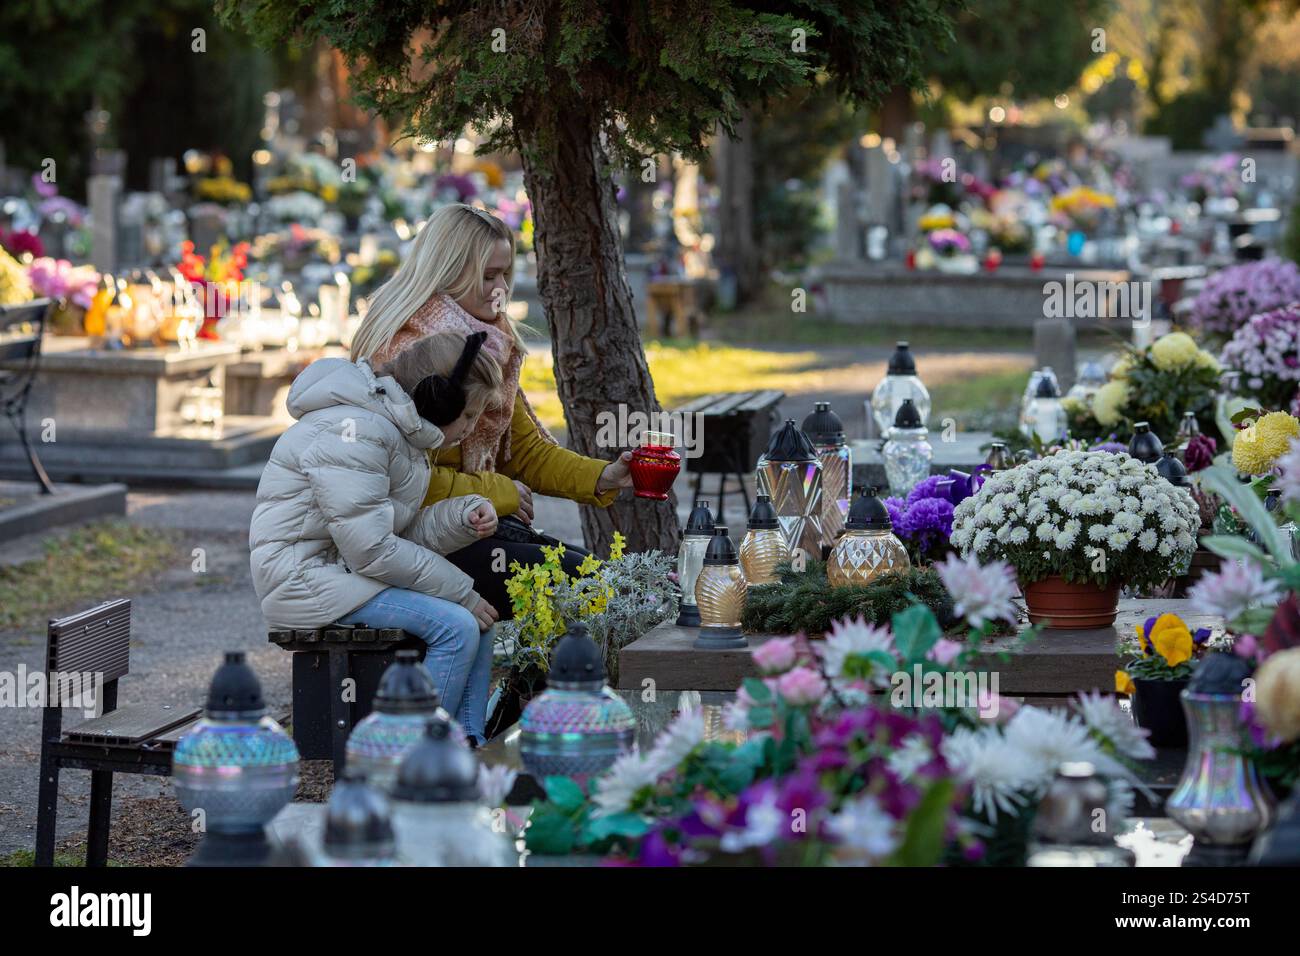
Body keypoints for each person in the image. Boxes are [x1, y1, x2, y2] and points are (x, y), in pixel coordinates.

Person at [351, 203, 635, 617]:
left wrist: (604, 475)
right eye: (488, 276)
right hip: (419, 547)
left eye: (505, 274)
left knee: (606, 583)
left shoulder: (488, 343)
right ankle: (544, 684)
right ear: (448, 271)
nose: (500, 288)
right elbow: (409, 483)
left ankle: (537, 684)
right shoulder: (412, 352)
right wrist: (500, 491)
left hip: (473, 531)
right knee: (592, 590)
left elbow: (524, 450)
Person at [249, 331, 504, 743]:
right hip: (304, 579)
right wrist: (462, 592)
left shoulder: (393, 429)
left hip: (343, 572)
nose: (472, 428)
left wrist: (460, 517)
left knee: (480, 620)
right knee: (457, 625)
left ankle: (467, 746)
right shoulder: (356, 431)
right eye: (471, 415)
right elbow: (370, 549)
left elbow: (387, 534)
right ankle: (417, 763)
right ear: (438, 400)